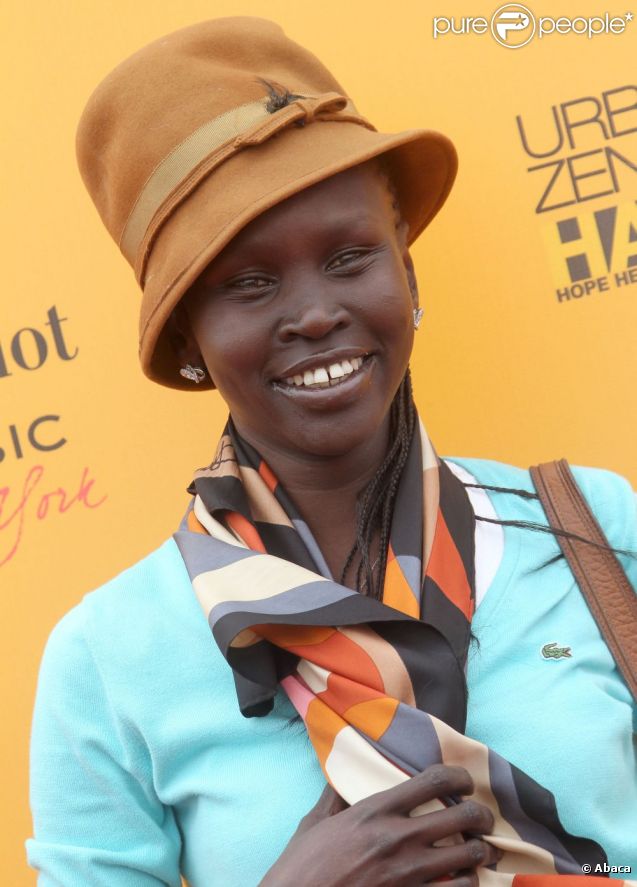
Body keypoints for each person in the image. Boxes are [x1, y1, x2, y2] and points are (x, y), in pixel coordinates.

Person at [26, 17, 637, 887]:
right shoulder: (108, 656)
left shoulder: (591, 529)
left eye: (349, 257)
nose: (313, 313)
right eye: (249, 282)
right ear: (192, 340)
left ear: (409, 280)